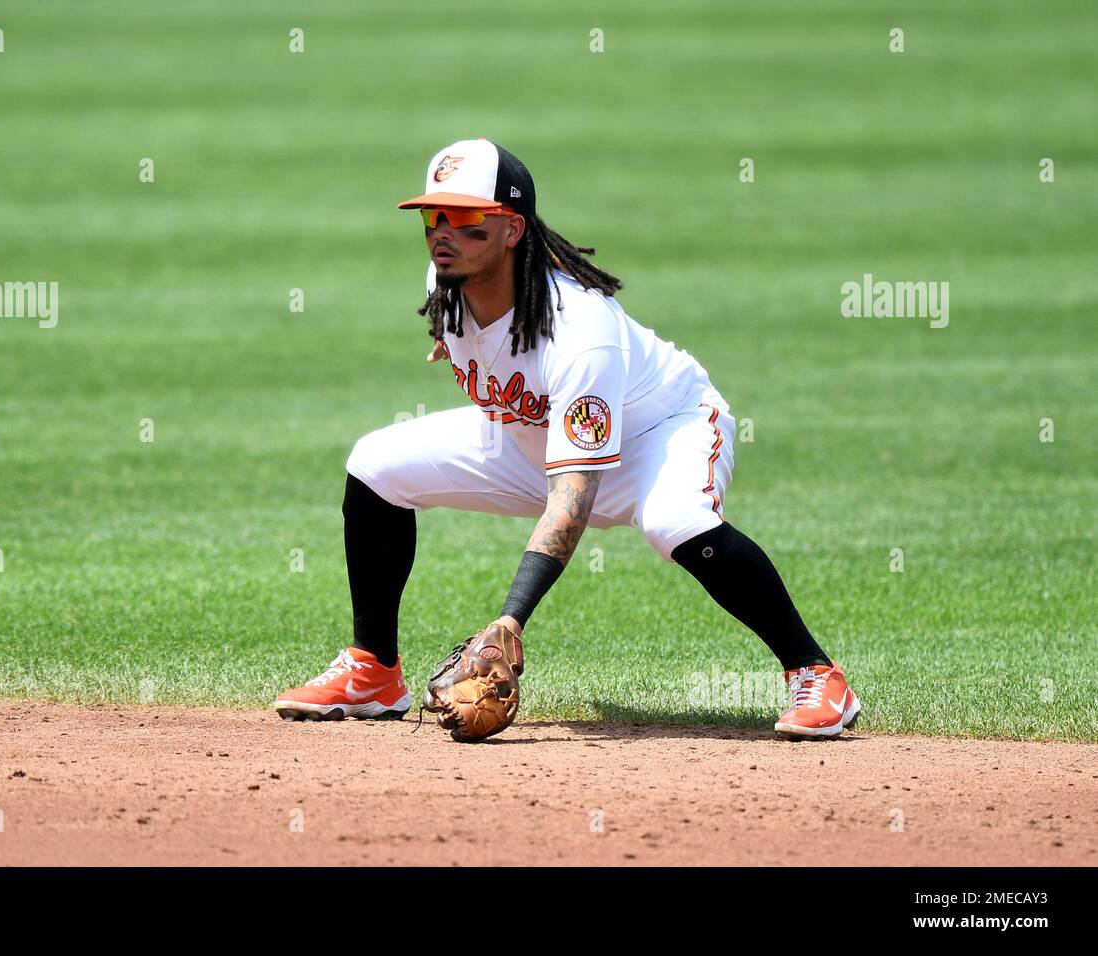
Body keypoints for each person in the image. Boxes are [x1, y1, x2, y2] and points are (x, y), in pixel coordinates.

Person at [274, 138, 861, 739]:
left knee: (673, 520)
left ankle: (816, 672)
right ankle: (374, 670)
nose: (443, 234)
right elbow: (481, 337)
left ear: (512, 231)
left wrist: (510, 621)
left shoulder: (581, 331)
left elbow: (572, 499)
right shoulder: (448, 277)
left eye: (468, 219)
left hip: (657, 434)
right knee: (376, 463)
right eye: (434, 216)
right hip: (528, 439)